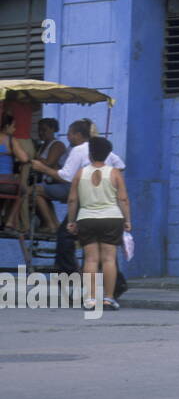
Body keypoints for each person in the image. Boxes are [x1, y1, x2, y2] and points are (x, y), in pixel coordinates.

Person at [30, 118, 125, 279]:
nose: (68, 137)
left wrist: (42, 168)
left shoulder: (79, 151)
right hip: (108, 205)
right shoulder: (103, 149)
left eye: (69, 134)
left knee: (67, 238)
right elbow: (121, 167)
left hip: (86, 203)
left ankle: (69, 274)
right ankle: (115, 286)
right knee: (106, 249)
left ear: (78, 135)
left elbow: (67, 179)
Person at [66, 137, 130, 311]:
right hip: (111, 218)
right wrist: (127, 220)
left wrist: (71, 221)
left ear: (90, 153)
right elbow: (123, 198)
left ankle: (91, 299)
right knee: (109, 258)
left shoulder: (80, 173)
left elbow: (72, 199)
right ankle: (109, 298)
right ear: (108, 154)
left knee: (91, 259)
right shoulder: (115, 173)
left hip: (86, 218)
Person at [31, 118, 67, 234]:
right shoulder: (42, 146)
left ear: (53, 130)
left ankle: (50, 224)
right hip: (47, 181)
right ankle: (55, 224)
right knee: (40, 197)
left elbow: (49, 163)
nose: (41, 133)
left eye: (44, 130)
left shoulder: (57, 145)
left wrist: (32, 156)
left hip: (58, 182)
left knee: (33, 191)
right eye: (39, 130)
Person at [0, 112, 31, 231]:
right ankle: (9, 222)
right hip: (6, 183)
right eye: (13, 126)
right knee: (22, 191)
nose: (14, 129)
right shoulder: (11, 140)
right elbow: (24, 158)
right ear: (6, 126)